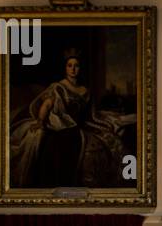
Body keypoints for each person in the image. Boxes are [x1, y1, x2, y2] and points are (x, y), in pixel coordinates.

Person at [9, 48, 132, 189]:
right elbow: (47, 104)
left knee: (101, 140)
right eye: (69, 66)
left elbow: (90, 114)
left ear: (80, 68)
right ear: (65, 68)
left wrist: (99, 123)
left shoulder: (85, 90)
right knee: (56, 142)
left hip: (78, 125)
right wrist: (40, 121)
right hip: (60, 124)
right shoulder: (59, 87)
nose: (73, 69)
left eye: (76, 66)